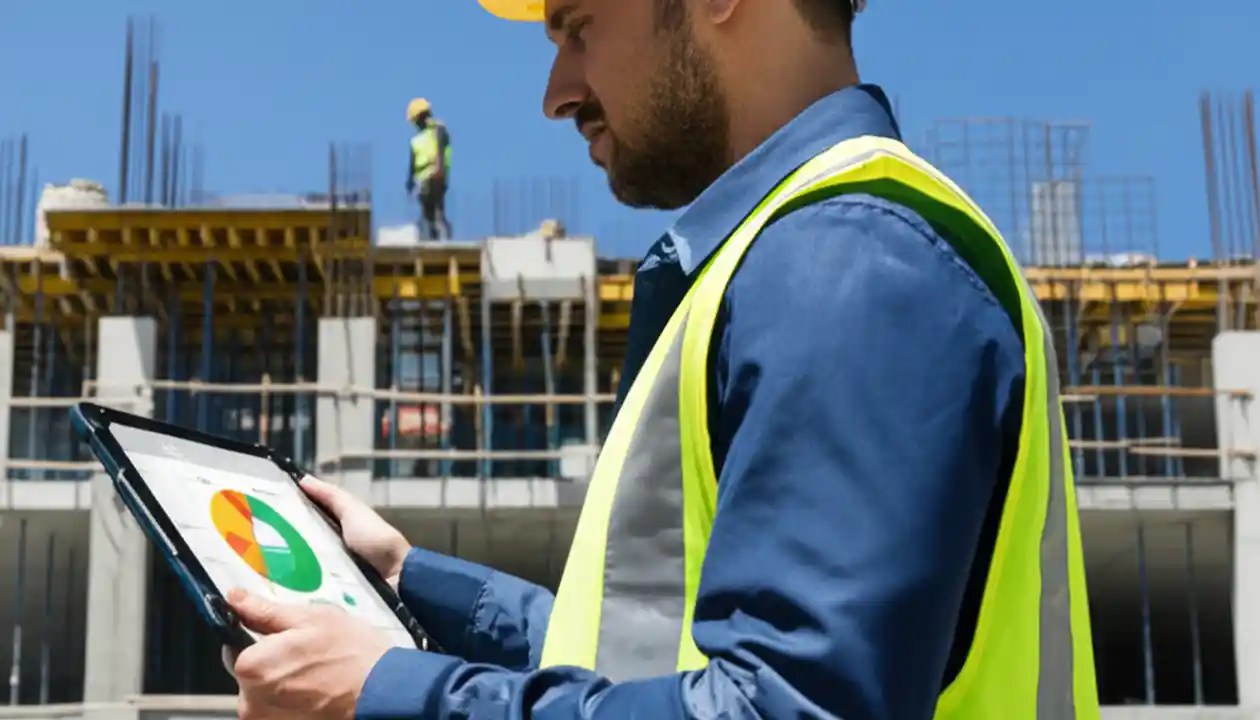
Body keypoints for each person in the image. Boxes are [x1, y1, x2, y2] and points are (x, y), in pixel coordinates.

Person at [226, 0, 1103, 717]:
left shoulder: (848, 262)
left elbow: (786, 709)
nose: (557, 94)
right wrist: (409, 579)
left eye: (578, 27)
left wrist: (393, 696)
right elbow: (640, 655)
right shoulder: (797, 256)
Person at [405, 97, 453, 240]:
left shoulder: (438, 130)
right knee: (428, 213)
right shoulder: (416, 141)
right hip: (423, 180)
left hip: (435, 174)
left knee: (436, 211)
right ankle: (433, 237)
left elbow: (441, 148)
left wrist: (439, 168)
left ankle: (442, 236)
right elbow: (412, 165)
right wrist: (410, 183)